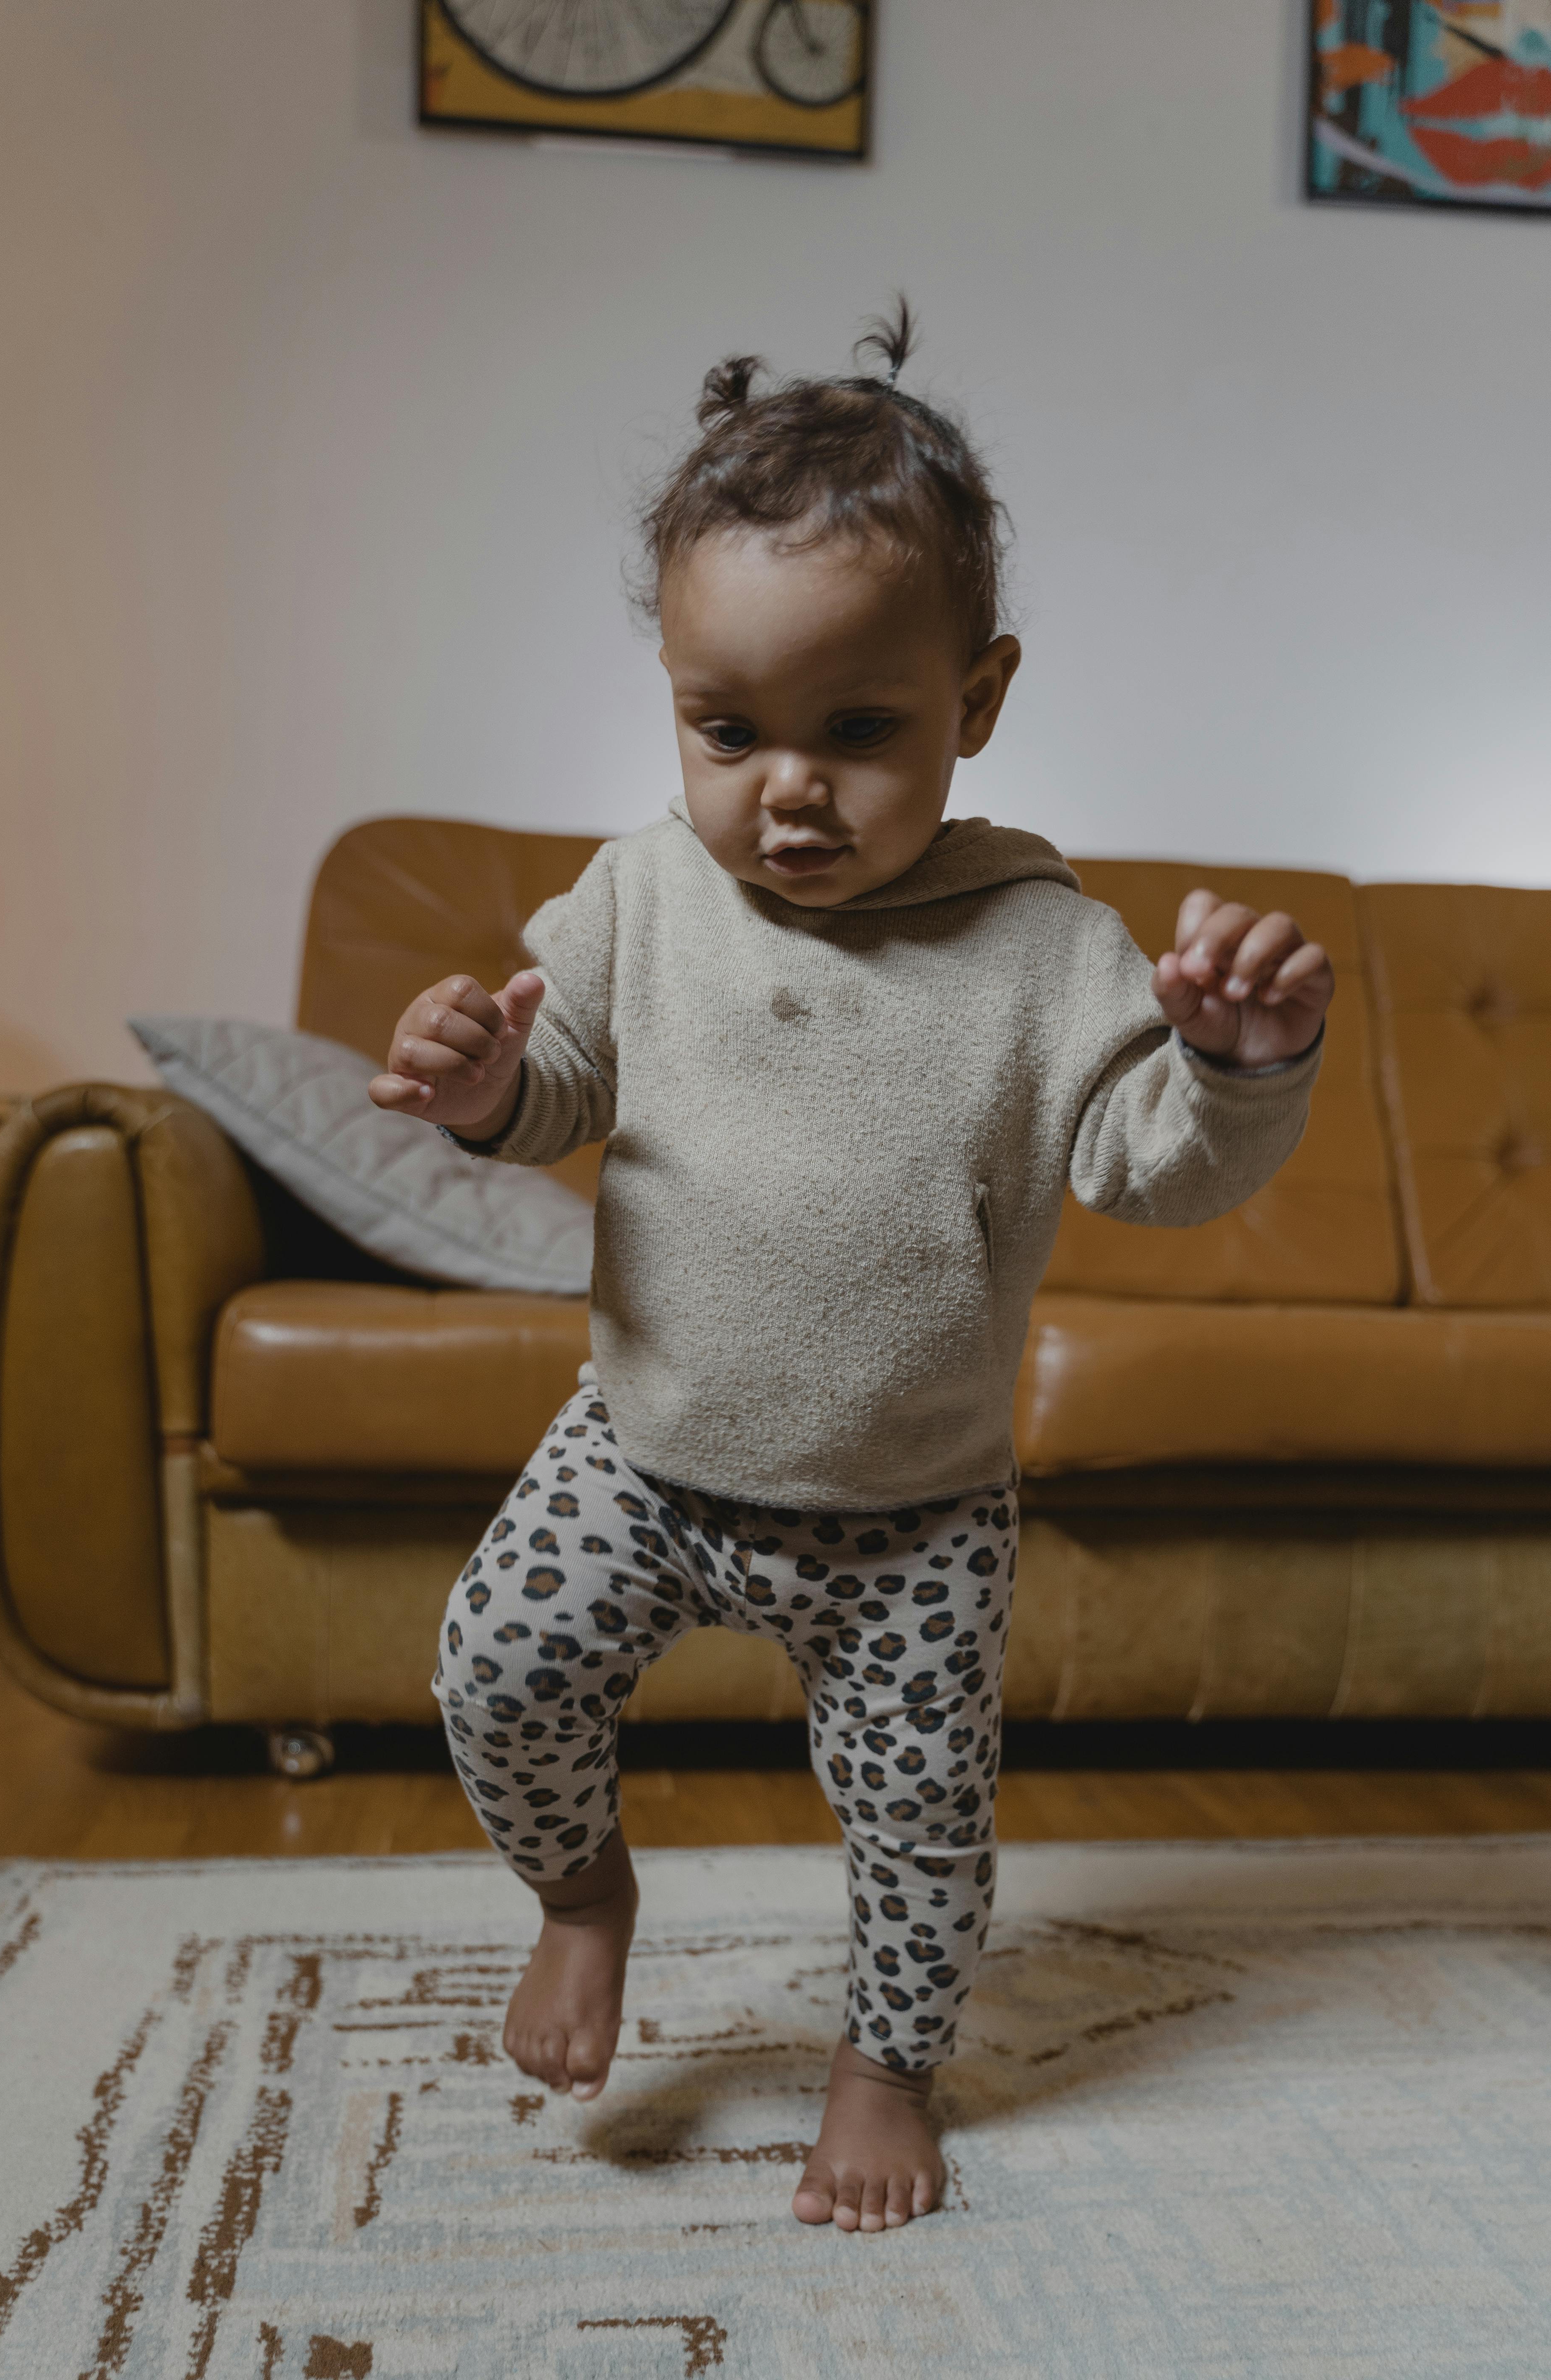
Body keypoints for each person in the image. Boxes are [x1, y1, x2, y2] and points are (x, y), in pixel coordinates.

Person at [369, 304, 1334, 2235]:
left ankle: (884, 2068)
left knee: (920, 1829)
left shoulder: (1044, 948)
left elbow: (1144, 1169)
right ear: (674, 700)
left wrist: (1240, 1070)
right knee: (493, 1671)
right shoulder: (644, 892)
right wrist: (487, 1091)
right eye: (727, 730)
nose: (787, 788)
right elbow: (561, 1082)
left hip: (911, 1513)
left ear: (976, 700)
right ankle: (584, 1897)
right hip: (643, 1454)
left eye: (858, 729)